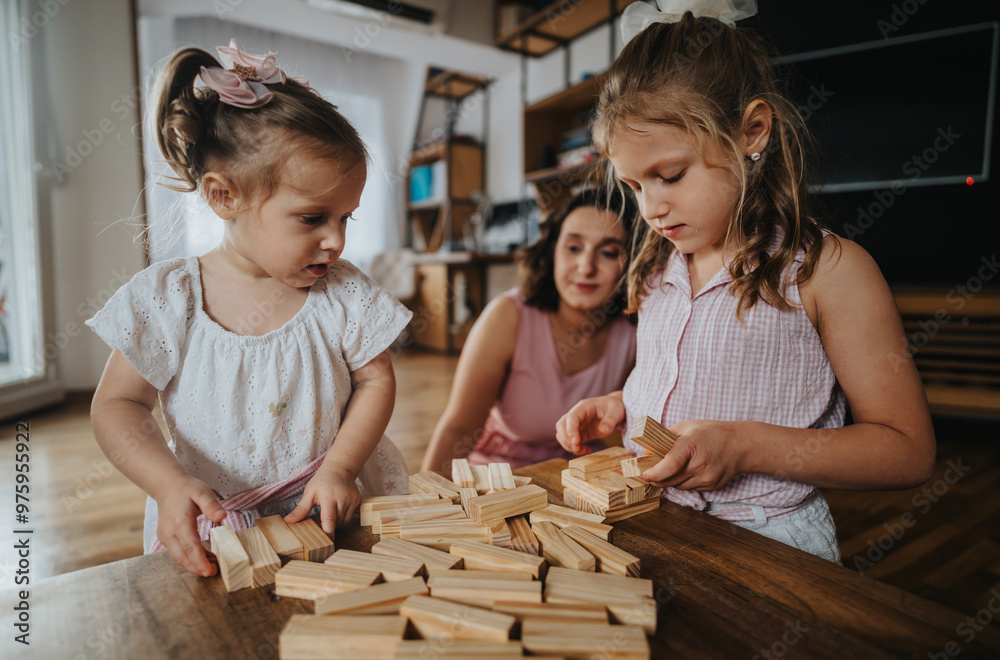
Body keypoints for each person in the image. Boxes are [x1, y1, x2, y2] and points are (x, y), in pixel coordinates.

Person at [555, 2, 936, 562]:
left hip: (771, 542)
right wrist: (624, 404)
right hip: (660, 521)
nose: (652, 208)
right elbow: (700, 376)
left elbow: (907, 453)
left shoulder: (829, 270)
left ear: (752, 130)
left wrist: (744, 446)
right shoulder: (661, 266)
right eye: (634, 186)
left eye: (671, 175)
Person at [87, 40, 411, 577]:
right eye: (312, 218)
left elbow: (376, 380)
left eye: (346, 218)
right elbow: (117, 406)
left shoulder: (345, 292)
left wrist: (341, 468)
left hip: (328, 510)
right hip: (215, 527)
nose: (336, 241)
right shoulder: (169, 300)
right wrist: (169, 486)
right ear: (223, 197)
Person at [420, 188, 638, 477]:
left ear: (632, 262)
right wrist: (425, 501)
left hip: (578, 471)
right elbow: (458, 428)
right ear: (552, 252)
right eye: (573, 248)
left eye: (609, 252)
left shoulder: (634, 329)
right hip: (498, 473)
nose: (586, 267)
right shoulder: (507, 315)